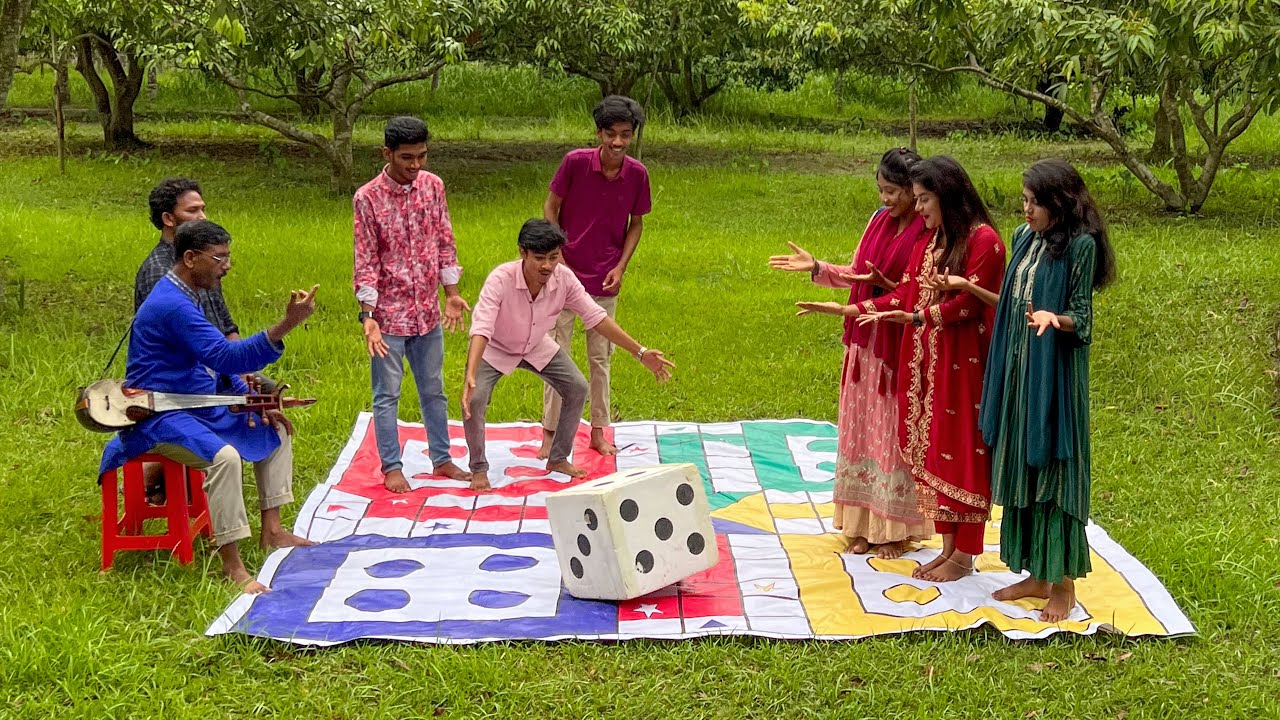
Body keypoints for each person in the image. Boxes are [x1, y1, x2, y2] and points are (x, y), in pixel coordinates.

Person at [797, 155, 1005, 582]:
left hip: (964, 362)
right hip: (928, 359)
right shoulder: (934, 239)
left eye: (923, 198)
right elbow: (906, 292)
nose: (918, 205)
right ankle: (947, 549)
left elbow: (968, 304)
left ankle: (963, 554)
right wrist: (848, 308)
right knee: (936, 450)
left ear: (944, 195)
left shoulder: (984, 240)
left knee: (963, 452)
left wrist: (915, 317)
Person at [99, 220, 317, 593]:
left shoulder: (188, 293)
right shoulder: (171, 304)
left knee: (275, 428)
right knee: (225, 458)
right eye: (219, 258)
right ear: (190, 258)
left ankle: (273, 531)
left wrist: (251, 402)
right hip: (159, 417)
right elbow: (225, 356)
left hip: (197, 408)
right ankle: (231, 565)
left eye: (228, 257)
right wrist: (286, 324)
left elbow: (213, 364)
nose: (226, 266)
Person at [770, 148, 932, 559]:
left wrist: (851, 309)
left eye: (893, 191)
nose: (885, 199)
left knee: (892, 434)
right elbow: (858, 273)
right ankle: (861, 526)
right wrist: (817, 268)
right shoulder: (878, 221)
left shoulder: (927, 230)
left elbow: (912, 293)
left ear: (913, 190)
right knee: (860, 432)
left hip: (898, 345)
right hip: (865, 346)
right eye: (881, 189)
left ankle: (893, 529)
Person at [978, 159, 1116, 621]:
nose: (1027, 209)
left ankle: (1064, 585)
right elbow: (1011, 302)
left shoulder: (1080, 246)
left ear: (1060, 203)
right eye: (1024, 200)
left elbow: (1083, 318)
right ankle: (1038, 574)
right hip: (1019, 372)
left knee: (1056, 470)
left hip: (1054, 375)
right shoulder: (1023, 238)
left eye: (1035, 202)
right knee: (1024, 466)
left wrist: (1055, 319)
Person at [463, 219, 674, 492]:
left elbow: (596, 316)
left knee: (577, 387)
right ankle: (478, 468)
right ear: (522, 252)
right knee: (474, 399)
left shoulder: (563, 278)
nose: (547, 266)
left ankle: (558, 458)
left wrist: (640, 352)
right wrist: (471, 373)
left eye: (553, 257)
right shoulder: (500, 279)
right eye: (539, 258)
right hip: (496, 348)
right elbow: (481, 328)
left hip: (537, 344)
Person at [354, 116, 472, 493]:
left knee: (434, 389)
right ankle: (391, 466)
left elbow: (444, 239)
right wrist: (368, 316)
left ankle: (442, 458)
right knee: (387, 394)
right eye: (407, 157)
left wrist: (451, 292)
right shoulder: (367, 198)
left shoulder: (433, 186)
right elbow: (366, 258)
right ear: (386, 154)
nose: (416, 164)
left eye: (422, 156)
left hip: (427, 313)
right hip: (389, 316)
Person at [539, 95, 652, 460]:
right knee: (555, 353)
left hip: (604, 279)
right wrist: (557, 256)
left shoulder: (637, 174)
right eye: (610, 134)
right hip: (564, 276)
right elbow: (551, 205)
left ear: (632, 135)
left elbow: (637, 223)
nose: (617, 142)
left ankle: (599, 431)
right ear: (599, 133)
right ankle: (551, 433)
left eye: (625, 134)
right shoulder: (575, 162)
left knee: (600, 357)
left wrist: (621, 266)